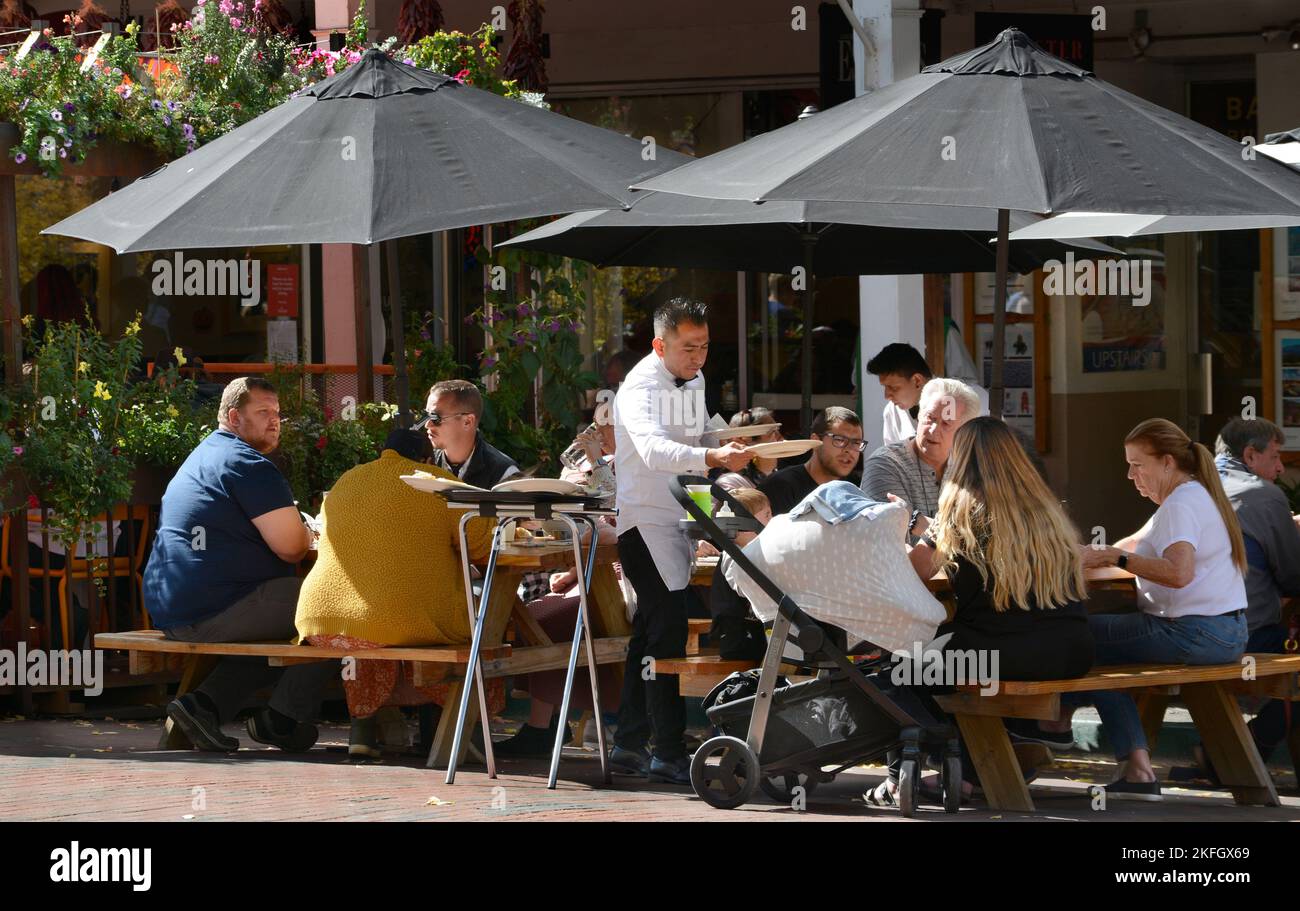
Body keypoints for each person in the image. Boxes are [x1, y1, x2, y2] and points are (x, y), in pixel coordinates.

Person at [868, 417, 1094, 805]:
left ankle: (911, 772)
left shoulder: (960, 509)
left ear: (963, 459)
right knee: (943, 663)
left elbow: (918, 571)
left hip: (996, 655)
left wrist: (903, 527)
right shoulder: (1047, 510)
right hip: (1072, 650)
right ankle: (973, 767)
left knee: (895, 670)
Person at [145, 377, 337, 754]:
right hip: (215, 608)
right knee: (336, 607)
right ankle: (281, 721)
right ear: (234, 416)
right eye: (263, 412)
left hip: (175, 608)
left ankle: (202, 706)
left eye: (278, 413)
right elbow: (292, 548)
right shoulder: (247, 463)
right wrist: (310, 531)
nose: (274, 421)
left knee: (283, 621)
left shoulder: (204, 455)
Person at [608, 297, 752, 784]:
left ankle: (629, 742)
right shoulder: (636, 388)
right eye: (688, 348)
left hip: (689, 509)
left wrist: (737, 439)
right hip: (644, 520)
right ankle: (666, 749)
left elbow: (700, 431)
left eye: (705, 347)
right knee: (666, 630)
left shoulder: (697, 379)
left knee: (650, 631)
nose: (698, 358)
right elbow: (652, 450)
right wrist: (715, 458)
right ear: (658, 344)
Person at [1070, 418, 1249, 800]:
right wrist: (1094, 555)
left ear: (1167, 462)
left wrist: (1113, 556)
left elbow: (1179, 573)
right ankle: (1136, 770)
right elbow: (1135, 543)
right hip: (1226, 633)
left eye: (1138, 465)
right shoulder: (1193, 494)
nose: (1130, 475)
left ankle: (1051, 729)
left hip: (1191, 632)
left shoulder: (1180, 504)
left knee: (1073, 636)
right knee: (1093, 645)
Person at [294, 443, 497, 759]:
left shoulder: (348, 480)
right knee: (490, 630)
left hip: (321, 621)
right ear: (427, 460)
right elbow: (485, 543)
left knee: (369, 630)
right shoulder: (437, 481)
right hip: (393, 619)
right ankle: (467, 730)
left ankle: (363, 729)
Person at [1173, 418, 1300, 782]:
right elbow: (1293, 576)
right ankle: (1243, 748)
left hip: (1183, 631)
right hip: (1242, 634)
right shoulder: (1265, 495)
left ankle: (1233, 752)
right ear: (1250, 455)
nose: (1280, 468)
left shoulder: (1189, 490)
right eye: (1275, 457)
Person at [860, 378, 980, 538]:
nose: (933, 429)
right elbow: (889, 535)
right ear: (919, 415)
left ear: (963, 431)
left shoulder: (971, 468)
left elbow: (980, 537)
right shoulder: (885, 464)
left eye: (946, 423)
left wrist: (918, 521)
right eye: (930, 417)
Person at [866, 342, 989, 445]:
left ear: (917, 381)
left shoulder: (973, 399)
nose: (886, 396)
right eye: (885, 387)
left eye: (893, 388)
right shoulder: (893, 412)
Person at [758, 406, 865, 515]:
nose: (849, 450)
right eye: (840, 440)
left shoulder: (858, 490)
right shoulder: (779, 488)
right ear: (816, 441)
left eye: (856, 443)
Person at [414, 379, 520, 488]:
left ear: (467, 422)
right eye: (426, 416)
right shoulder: (425, 465)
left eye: (435, 418)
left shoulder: (503, 474)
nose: (427, 424)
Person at [707, 488, 773, 661]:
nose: (772, 521)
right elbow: (745, 588)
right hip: (739, 635)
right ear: (743, 525)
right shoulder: (733, 556)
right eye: (767, 516)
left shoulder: (754, 552)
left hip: (758, 630)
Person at [714, 406, 783, 491]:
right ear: (745, 439)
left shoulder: (780, 475)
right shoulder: (730, 482)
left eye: (777, 429)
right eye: (771, 431)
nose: (780, 437)